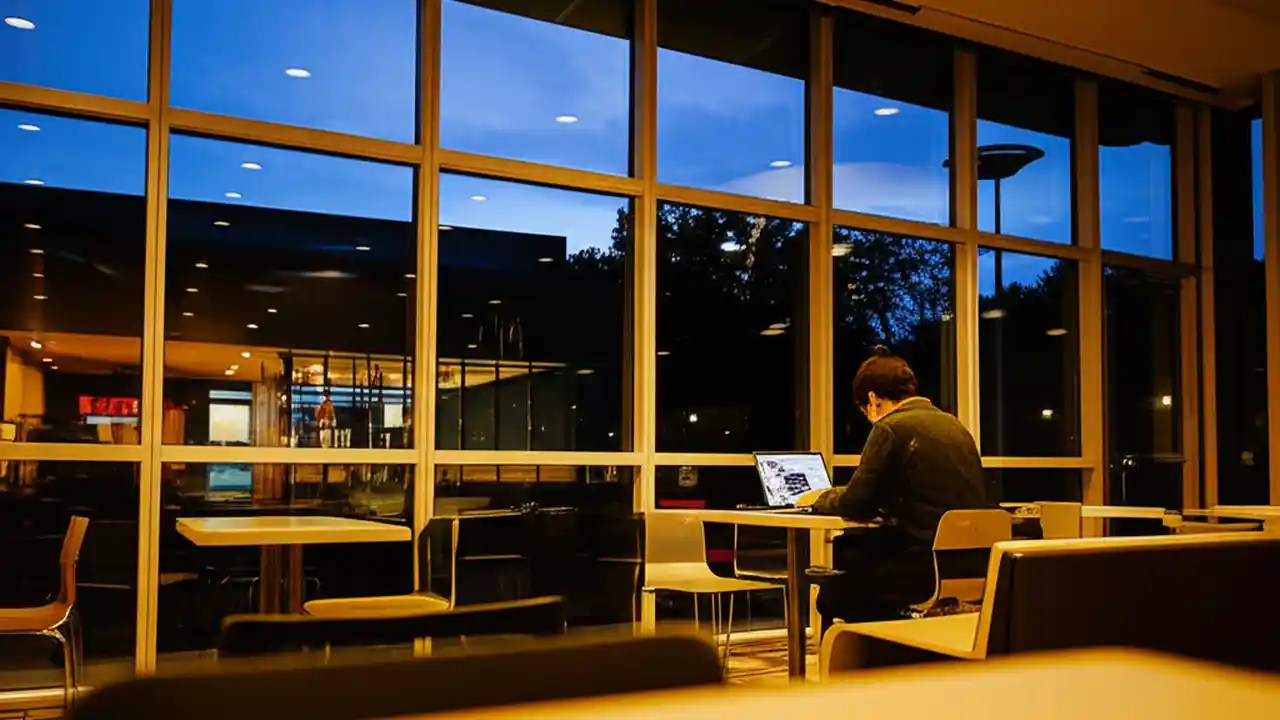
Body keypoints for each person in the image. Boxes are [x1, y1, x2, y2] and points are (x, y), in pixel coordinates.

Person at [796, 352, 986, 624]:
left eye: (865, 410)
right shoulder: (954, 425)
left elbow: (855, 503)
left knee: (831, 595)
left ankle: (888, 646)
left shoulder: (890, 427)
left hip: (921, 570)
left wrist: (820, 498)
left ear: (872, 400)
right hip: (971, 565)